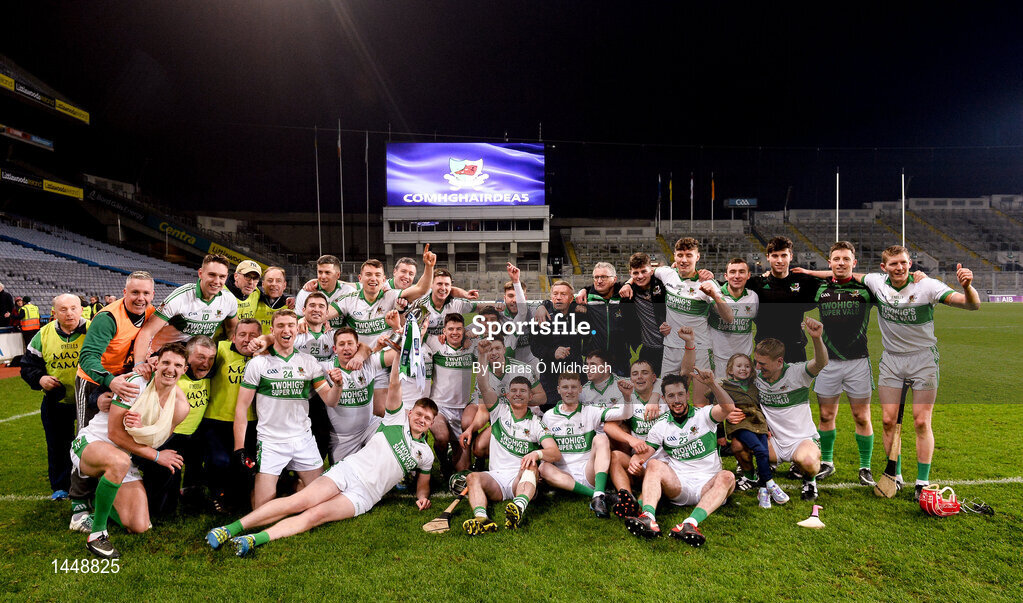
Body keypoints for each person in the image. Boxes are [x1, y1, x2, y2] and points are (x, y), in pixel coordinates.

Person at [205, 352, 437, 557]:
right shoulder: (395, 420)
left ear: (431, 424)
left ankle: (252, 540)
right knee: (300, 501)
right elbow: (394, 385)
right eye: (418, 414)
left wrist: (422, 496)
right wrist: (398, 353)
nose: (421, 420)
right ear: (409, 413)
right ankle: (229, 529)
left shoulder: (426, 454)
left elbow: (423, 484)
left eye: (427, 419)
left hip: (365, 495)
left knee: (314, 516)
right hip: (349, 471)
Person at [849, 246, 979, 499]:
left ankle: (922, 481)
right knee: (888, 421)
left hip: (923, 360)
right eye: (894, 264)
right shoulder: (877, 282)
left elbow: (971, 305)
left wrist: (967, 286)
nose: (900, 268)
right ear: (883, 267)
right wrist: (807, 271)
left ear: (910, 263)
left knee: (921, 421)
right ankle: (894, 475)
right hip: (892, 361)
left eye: (904, 263)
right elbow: (846, 274)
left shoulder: (927, 285)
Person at [70, 343, 190, 559]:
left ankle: (101, 501)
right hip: (91, 444)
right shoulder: (136, 383)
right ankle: (97, 535)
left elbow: (156, 439)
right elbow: (115, 434)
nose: (170, 369)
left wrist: (140, 427)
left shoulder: (180, 405)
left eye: (177, 365)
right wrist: (156, 457)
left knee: (140, 525)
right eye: (165, 362)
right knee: (119, 462)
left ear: (185, 370)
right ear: (156, 364)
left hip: (123, 456)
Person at [233, 310, 347, 508]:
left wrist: (338, 385)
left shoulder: (309, 362)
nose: (286, 330)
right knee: (261, 508)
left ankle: (292, 486)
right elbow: (241, 408)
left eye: (290, 325)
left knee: (322, 500)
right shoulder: (258, 363)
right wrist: (239, 448)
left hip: (303, 439)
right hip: (271, 441)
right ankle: (281, 485)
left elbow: (330, 401)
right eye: (280, 326)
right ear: (272, 330)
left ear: (297, 330)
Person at [71, 271, 156, 533]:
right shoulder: (108, 317)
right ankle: (78, 506)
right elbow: (87, 357)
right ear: (124, 293)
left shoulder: (152, 313)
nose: (140, 298)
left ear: (152, 295)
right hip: (95, 380)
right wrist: (110, 381)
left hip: (125, 378)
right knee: (89, 436)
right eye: (135, 292)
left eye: (146, 293)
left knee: (123, 429)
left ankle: (113, 489)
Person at [620, 370, 736, 547]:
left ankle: (689, 524)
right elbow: (646, 453)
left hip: (707, 485)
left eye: (680, 394)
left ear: (687, 395)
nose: (676, 400)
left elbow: (729, 408)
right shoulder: (660, 426)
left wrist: (712, 384)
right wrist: (636, 460)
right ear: (665, 399)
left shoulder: (704, 415)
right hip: (679, 485)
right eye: (671, 396)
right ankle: (648, 517)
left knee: (728, 476)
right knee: (654, 464)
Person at [802, 242, 877, 485]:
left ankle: (865, 467)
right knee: (826, 415)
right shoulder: (819, 288)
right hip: (827, 362)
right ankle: (827, 463)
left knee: (862, 417)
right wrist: (811, 274)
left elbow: (890, 281)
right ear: (830, 262)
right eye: (836, 259)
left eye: (846, 259)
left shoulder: (866, 288)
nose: (841, 263)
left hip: (858, 362)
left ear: (854, 263)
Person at [459, 375, 560, 534]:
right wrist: (483, 356)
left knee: (532, 466)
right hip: (496, 479)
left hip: (519, 479)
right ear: (507, 394)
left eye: (522, 391)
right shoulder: (498, 411)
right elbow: (484, 386)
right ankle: (482, 519)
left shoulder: (536, 423)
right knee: (472, 477)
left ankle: (518, 508)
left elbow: (554, 453)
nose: (518, 394)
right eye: (513, 390)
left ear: (530, 396)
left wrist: (537, 453)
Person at [20, 294, 89, 500]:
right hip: (56, 400)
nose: (69, 313)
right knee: (58, 444)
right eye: (63, 309)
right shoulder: (43, 335)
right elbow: (27, 366)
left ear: (81, 309)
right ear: (54, 313)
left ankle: (92, 483)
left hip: (89, 399)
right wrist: (40, 378)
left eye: (74, 308)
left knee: (92, 443)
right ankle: (61, 486)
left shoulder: (95, 330)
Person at [753, 318, 829, 501]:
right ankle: (762, 470)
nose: (757, 367)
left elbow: (821, 363)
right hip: (774, 441)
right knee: (742, 441)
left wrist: (817, 339)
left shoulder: (797, 373)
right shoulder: (756, 376)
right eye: (756, 362)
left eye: (762, 364)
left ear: (779, 361)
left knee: (809, 462)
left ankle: (809, 481)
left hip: (800, 440)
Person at [140, 335, 216, 517]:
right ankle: (153, 508)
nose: (206, 363)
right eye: (200, 357)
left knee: (195, 469)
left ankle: (190, 499)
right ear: (187, 360)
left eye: (210, 358)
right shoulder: (171, 376)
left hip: (193, 434)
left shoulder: (210, 374)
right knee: (167, 474)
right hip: (168, 436)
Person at [540, 373, 631, 517]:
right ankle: (600, 496)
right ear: (558, 390)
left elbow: (624, 414)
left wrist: (626, 397)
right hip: (562, 474)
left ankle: (598, 490)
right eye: (565, 387)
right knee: (543, 467)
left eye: (573, 387)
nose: (569, 391)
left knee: (601, 438)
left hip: (588, 471)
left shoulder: (591, 411)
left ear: (580, 389)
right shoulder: (548, 416)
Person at [201, 318, 263, 511]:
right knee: (220, 461)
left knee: (247, 463)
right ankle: (215, 493)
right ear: (233, 337)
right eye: (242, 335)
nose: (247, 340)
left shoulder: (264, 357)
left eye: (253, 335)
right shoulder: (220, 350)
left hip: (251, 420)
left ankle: (238, 497)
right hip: (218, 419)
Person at [133, 254, 238, 360]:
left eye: (222, 277)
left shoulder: (229, 300)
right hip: (162, 355)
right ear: (200, 273)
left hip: (194, 358)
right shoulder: (180, 297)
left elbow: (232, 328)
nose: (216, 281)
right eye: (212, 275)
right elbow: (147, 332)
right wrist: (139, 364)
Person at [319, 325, 397, 463]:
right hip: (342, 438)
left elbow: (398, 353)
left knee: (396, 436)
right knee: (343, 481)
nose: (346, 348)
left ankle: (389, 475)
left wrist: (403, 336)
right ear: (335, 349)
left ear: (357, 347)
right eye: (341, 344)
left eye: (350, 344)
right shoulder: (325, 368)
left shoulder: (369, 362)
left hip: (369, 427)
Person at [717, 353, 785, 506]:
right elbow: (717, 408)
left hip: (758, 423)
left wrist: (767, 427)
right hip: (740, 424)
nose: (743, 369)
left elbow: (762, 408)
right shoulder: (725, 387)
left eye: (747, 366)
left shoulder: (755, 386)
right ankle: (770, 484)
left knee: (764, 452)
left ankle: (763, 490)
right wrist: (720, 434)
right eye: (739, 366)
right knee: (760, 451)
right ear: (730, 370)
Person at [745, 236, 820, 363]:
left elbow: (836, 280)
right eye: (775, 256)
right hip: (765, 351)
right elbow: (730, 286)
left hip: (795, 350)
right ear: (768, 257)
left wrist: (810, 272)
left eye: (784, 255)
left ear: (791, 256)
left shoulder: (803, 281)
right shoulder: (756, 284)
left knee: (796, 383)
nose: (779, 260)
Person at [422, 313, 476, 474]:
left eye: (459, 329)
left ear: (464, 330)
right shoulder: (435, 343)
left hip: (463, 409)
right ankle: (443, 462)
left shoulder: (471, 346)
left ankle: (459, 454)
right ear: (444, 331)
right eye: (450, 329)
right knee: (442, 437)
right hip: (440, 408)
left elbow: (489, 327)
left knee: (463, 470)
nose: (455, 332)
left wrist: (471, 336)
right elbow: (416, 332)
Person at [531, 279, 587, 408]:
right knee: (549, 411)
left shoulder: (578, 312)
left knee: (578, 412)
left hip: (576, 373)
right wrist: (552, 352)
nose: (559, 298)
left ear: (571, 298)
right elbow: (535, 347)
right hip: (550, 374)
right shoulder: (542, 315)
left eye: (563, 294)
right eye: (555, 294)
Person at [617, 252, 668, 375]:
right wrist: (583, 291)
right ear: (630, 273)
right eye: (635, 273)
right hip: (647, 348)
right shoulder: (628, 291)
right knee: (646, 385)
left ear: (651, 270)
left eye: (644, 271)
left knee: (672, 386)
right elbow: (599, 287)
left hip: (670, 346)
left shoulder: (663, 284)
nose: (640, 276)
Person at [708, 258, 759, 380]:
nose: (737, 276)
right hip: (718, 358)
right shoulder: (714, 295)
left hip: (744, 361)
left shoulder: (753, 297)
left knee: (743, 397)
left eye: (741, 272)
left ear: (748, 275)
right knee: (718, 397)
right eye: (732, 272)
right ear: (726, 276)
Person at [574, 262, 628, 375]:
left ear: (614, 279)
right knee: (592, 391)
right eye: (596, 277)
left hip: (619, 358)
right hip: (593, 359)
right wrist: (542, 306)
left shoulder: (624, 296)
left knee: (622, 391)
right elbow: (559, 301)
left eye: (603, 277)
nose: (599, 280)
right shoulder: (584, 298)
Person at [296, 254, 356, 329]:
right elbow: (297, 321)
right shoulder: (305, 292)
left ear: (338, 275)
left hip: (342, 339)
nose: (323, 276)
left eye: (327, 273)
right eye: (320, 272)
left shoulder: (350, 292)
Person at [253, 266, 293, 334]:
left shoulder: (292, 305)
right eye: (270, 280)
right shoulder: (255, 299)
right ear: (263, 284)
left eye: (278, 281)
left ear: (284, 285)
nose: (274, 284)